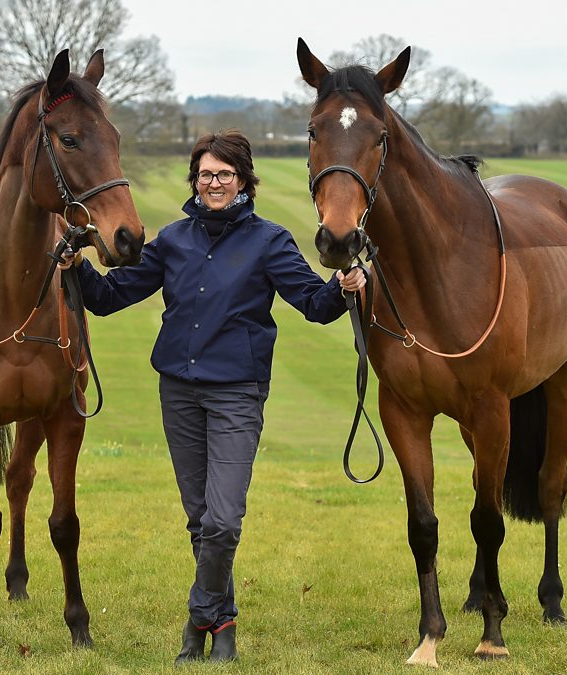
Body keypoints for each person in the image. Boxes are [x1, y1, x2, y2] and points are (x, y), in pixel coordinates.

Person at [66, 130, 365, 663]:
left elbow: (313, 304)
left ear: (244, 181)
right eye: (206, 174)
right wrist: (77, 268)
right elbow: (111, 297)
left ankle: (197, 620)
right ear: (195, 181)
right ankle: (222, 625)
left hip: (237, 394)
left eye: (225, 174)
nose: (215, 183)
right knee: (200, 519)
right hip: (178, 392)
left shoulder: (270, 241)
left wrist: (343, 288)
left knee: (222, 519)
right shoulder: (174, 240)